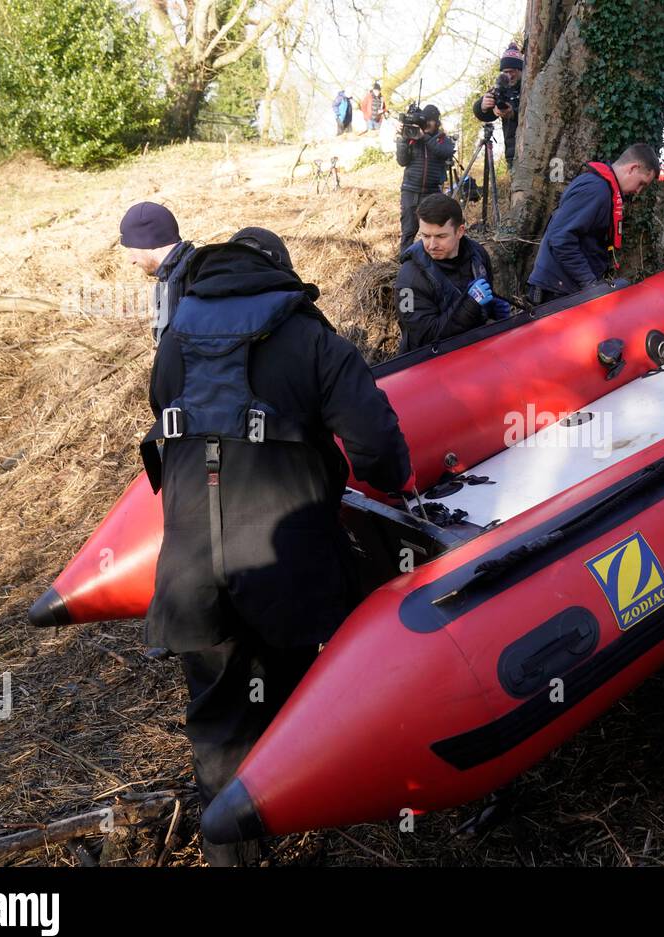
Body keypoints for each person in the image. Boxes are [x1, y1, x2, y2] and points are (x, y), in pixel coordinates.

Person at [139, 227, 414, 865]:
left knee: (217, 717)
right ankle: (295, 804)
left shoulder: (175, 340)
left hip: (189, 569)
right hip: (287, 566)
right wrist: (399, 482)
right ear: (279, 275)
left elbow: (162, 415)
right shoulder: (313, 338)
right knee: (291, 696)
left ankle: (233, 849)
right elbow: (375, 445)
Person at [526, 143, 659, 304]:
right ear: (632, 168)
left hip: (565, 288)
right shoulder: (596, 189)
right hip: (556, 291)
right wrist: (589, 283)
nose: (638, 191)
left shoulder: (603, 189)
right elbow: (561, 238)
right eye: (641, 184)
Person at [394, 193, 509, 352]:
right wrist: (470, 304)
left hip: (476, 347)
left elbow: (481, 297)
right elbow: (424, 336)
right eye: (425, 236)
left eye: (441, 236)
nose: (432, 245)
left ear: (460, 231)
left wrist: (490, 310)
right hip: (430, 363)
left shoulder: (477, 254)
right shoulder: (409, 279)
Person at [119, 201, 198, 345]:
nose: (131, 260)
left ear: (147, 242)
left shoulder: (197, 276)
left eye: (131, 249)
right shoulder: (167, 280)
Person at [395, 104, 456, 253]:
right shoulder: (412, 137)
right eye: (426, 120)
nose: (428, 123)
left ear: (437, 122)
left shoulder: (441, 139)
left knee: (433, 230)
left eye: (432, 120)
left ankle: (431, 261)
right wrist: (402, 138)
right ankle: (405, 265)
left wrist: (425, 138)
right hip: (410, 190)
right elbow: (402, 161)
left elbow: (445, 151)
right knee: (408, 231)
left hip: (432, 192)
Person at [472, 41, 524, 169]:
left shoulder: (531, 86)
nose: (509, 75)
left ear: (521, 70)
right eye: (505, 71)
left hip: (535, 148)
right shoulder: (501, 87)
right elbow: (480, 112)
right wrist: (484, 106)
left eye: (512, 71)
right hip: (513, 153)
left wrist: (514, 113)